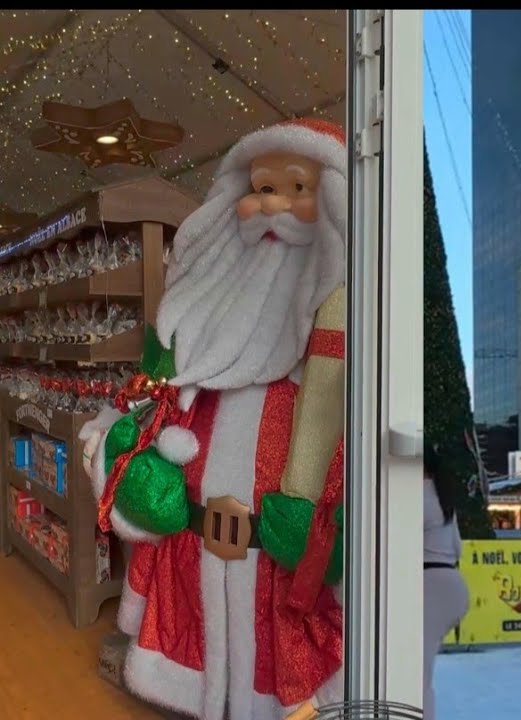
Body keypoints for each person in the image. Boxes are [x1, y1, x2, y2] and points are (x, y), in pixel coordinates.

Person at [80, 118, 348, 719]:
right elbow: (129, 412)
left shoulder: (343, 343)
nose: (272, 205)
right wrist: (134, 472)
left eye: (296, 188)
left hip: (277, 585)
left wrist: (332, 532)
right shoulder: (189, 329)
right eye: (260, 187)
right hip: (189, 567)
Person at [423, 446, 470, 720]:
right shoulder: (443, 500)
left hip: (432, 587)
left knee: (415, 676)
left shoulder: (417, 494)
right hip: (450, 584)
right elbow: (458, 548)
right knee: (420, 672)